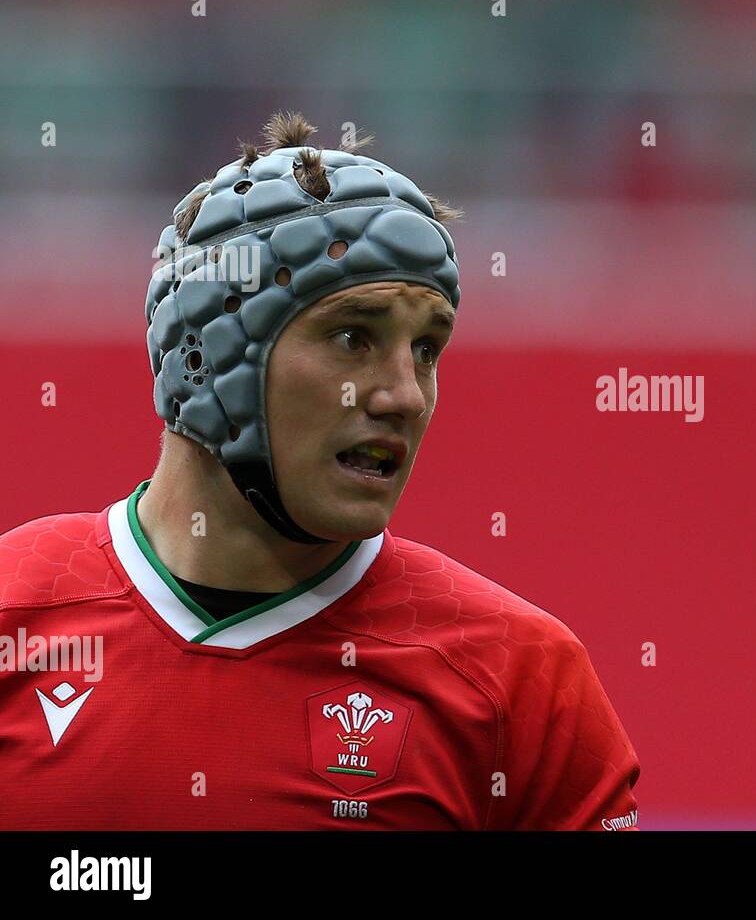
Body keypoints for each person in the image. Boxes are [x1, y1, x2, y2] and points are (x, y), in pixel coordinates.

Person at [0, 112, 641, 830]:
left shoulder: (517, 679)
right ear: (206, 358)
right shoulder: (16, 610)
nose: (405, 395)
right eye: (352, 337)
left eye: (427, 349)